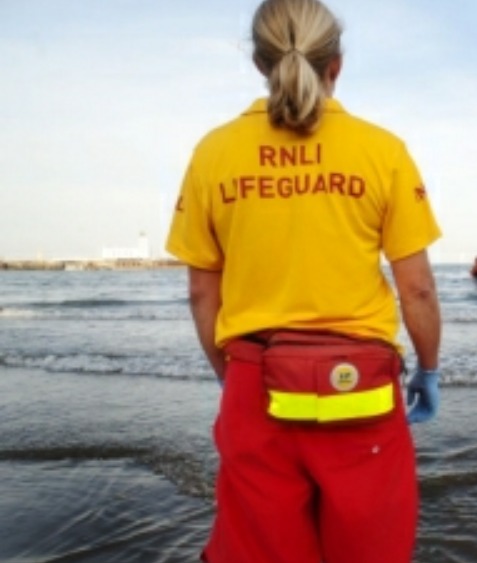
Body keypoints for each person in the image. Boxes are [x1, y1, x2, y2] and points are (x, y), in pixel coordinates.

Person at [165, 0, 442, 561]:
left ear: (260, 64)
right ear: (335, 64)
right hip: (359, 387)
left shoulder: (212, 152)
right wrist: (429, 369)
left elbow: (202, 292)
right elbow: (416, 288)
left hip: (254, 381)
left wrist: (233, 374)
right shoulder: (381, 150)